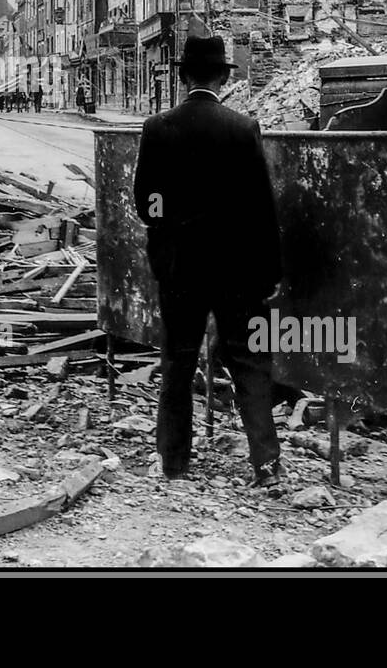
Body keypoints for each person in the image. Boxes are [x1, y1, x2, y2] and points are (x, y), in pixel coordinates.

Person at [132, 35, 284, 487]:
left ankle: (173, 462)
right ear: (222, 78)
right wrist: (270, 271)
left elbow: (147, 202)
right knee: (249, 362)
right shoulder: (243, 128)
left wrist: (169, 222)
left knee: (178, 362)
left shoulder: (157, 128)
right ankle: (266, 465)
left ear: (183, 77)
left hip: (180, 267)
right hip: (236, 268)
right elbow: (262, 209)